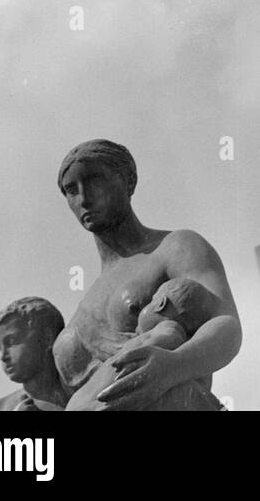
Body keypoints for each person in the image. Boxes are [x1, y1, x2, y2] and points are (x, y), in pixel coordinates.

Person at [52, 139, 241, 411]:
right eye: (71, 190)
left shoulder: (175, 247)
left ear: (128, 181)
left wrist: (174, 366)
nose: (83, 198)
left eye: (94, 181)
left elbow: (226, 326)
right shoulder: (83, 310)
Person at [65, 276, 226, 411]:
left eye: (150, 301)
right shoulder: (153, 334)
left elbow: (166, 341)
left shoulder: (168, 328)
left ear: (161, 303)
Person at [0, 297, 67, 412]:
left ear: (47, 338)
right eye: (0, 348)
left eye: (12, 342)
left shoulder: (83, 397)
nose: (3, 357)